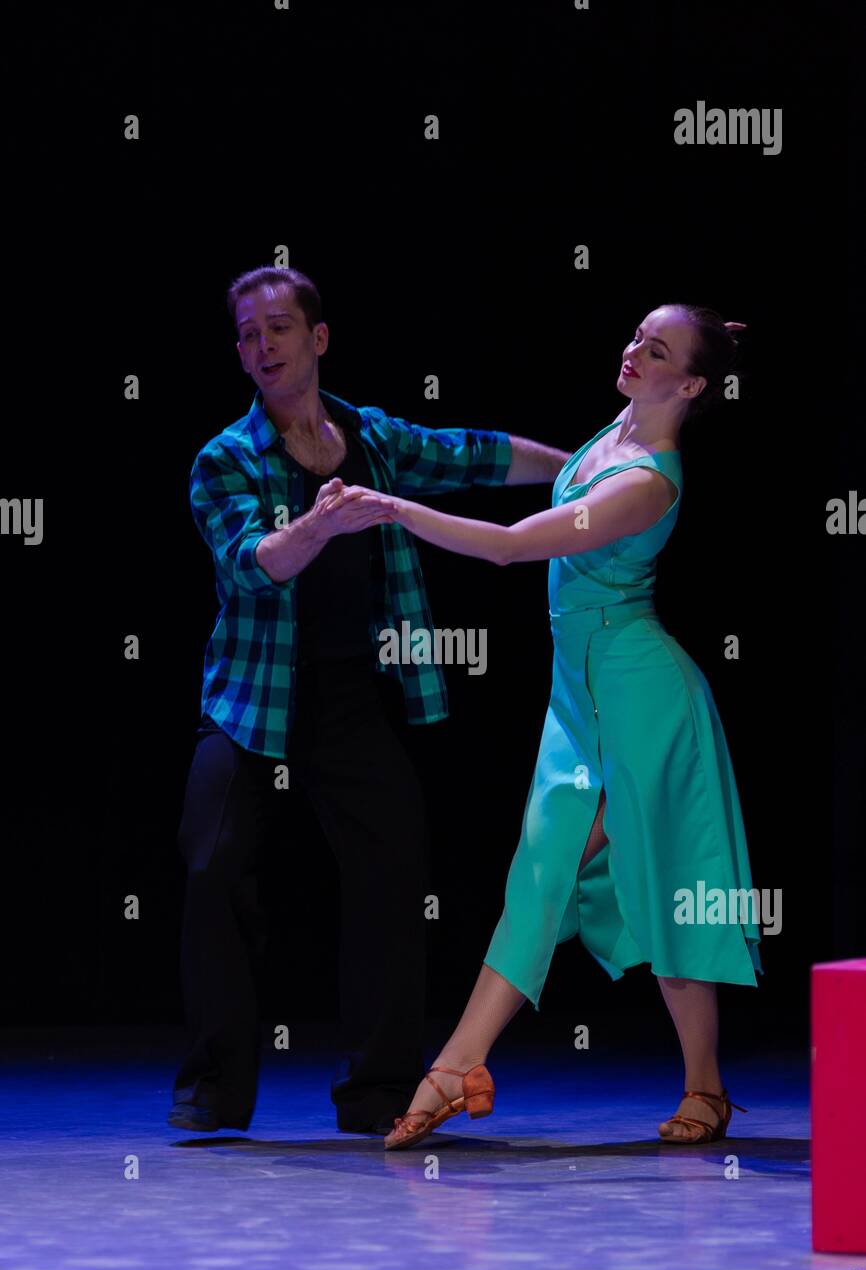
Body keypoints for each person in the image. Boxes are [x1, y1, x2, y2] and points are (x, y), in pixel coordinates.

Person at [347, 303, 763, 1150]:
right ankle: (462, 1065)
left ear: (691, 383)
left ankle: (700, 1087)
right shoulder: (611, 433)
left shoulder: (649, 478)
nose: (634, 352)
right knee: (538, 874)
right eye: (637, 337)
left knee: (662, 880)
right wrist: (463, 464)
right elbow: (544, 466)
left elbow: (509, 548)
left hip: (642, 698)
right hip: (578, 697)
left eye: (658, 351)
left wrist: (395, 510)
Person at [168, 265, 571, 1135]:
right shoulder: (224, 459)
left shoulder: (373, 437)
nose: (262, 346)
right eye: (246, 334)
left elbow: (474, 454)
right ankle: (215, 1086)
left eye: (278, 328)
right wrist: (320, 521)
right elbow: (251, 566)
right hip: (253, 703)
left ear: (318, 338)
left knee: (394, 874)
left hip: (350, 695)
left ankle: (378, 1088)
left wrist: (582, 473)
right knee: (212, 870)